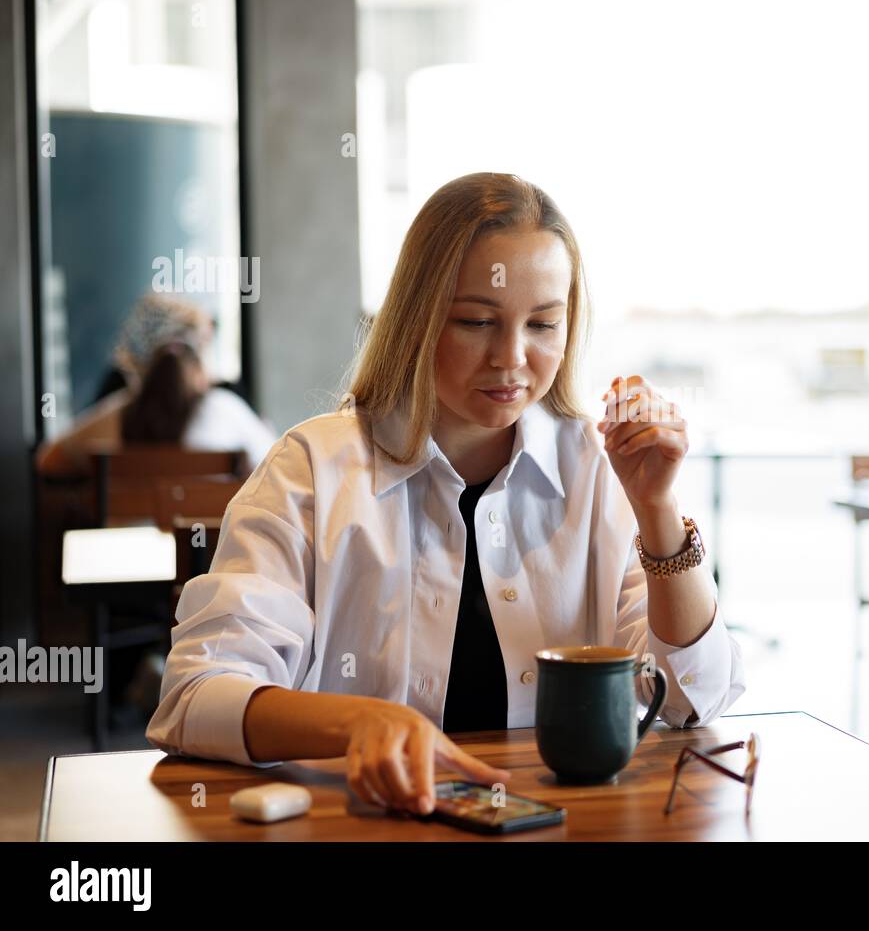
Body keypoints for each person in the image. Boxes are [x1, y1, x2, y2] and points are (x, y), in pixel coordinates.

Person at [146, 173, 746, 816]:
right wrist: (355, 723)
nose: (511, 358)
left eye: (543, 324)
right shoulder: (312, 472)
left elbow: (692, 699)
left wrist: (657, 509)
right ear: (417, 319)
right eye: (477, 321)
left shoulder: (599, 472)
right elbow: (195, 695)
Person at [35, 296, 276, 476]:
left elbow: (48, 459)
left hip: (125, 540)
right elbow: (275, 469)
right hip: (209, 541)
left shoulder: (120, 415)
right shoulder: (223, 408)